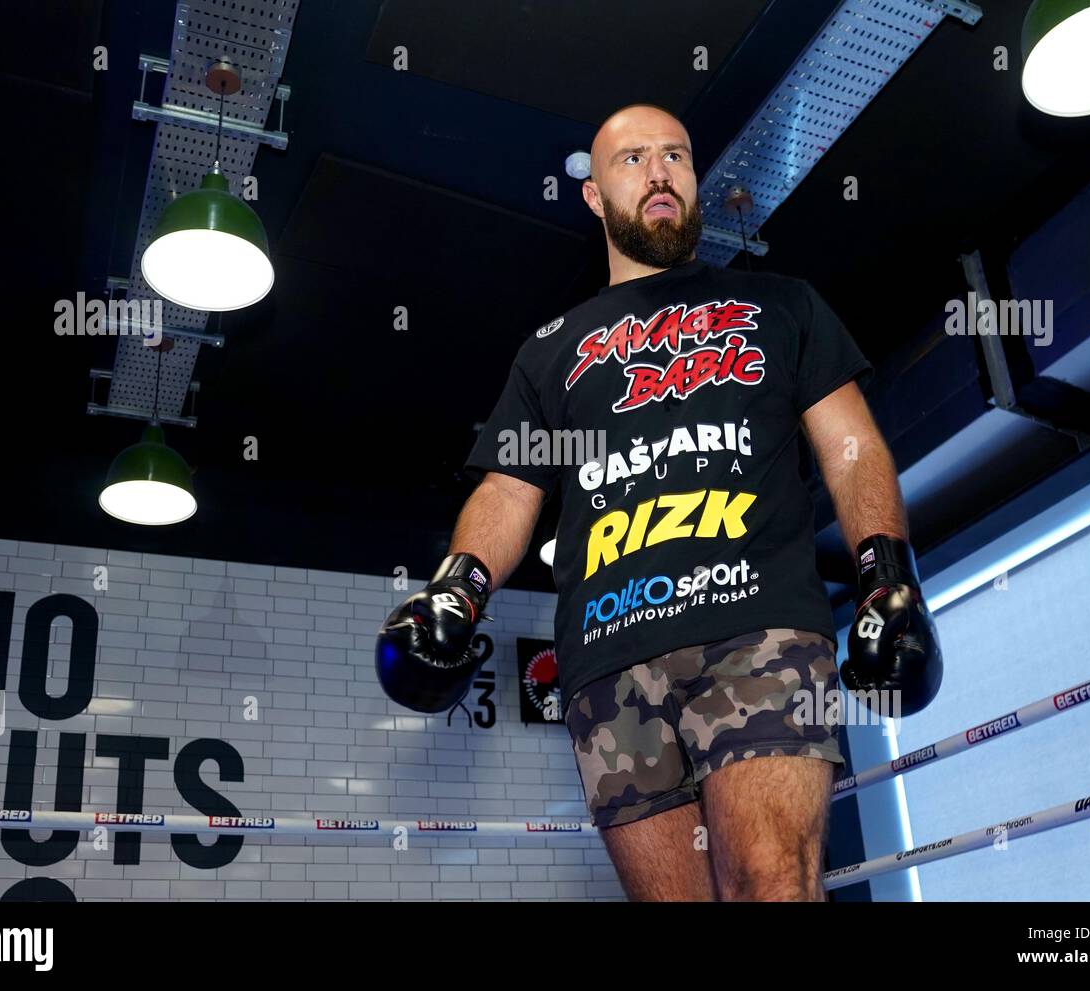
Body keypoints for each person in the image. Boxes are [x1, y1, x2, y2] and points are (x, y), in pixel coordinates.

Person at [376, 103, 942, 901]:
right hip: (607, 660)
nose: (659, 172)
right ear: (595, 196)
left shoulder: (782, 305)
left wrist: (887, 574)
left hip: (760, 628)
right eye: (633, 159)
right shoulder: (550, 351)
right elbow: (508, 487)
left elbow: (853, 449)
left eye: (675, 155)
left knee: (774, 883)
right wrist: (454, 591)